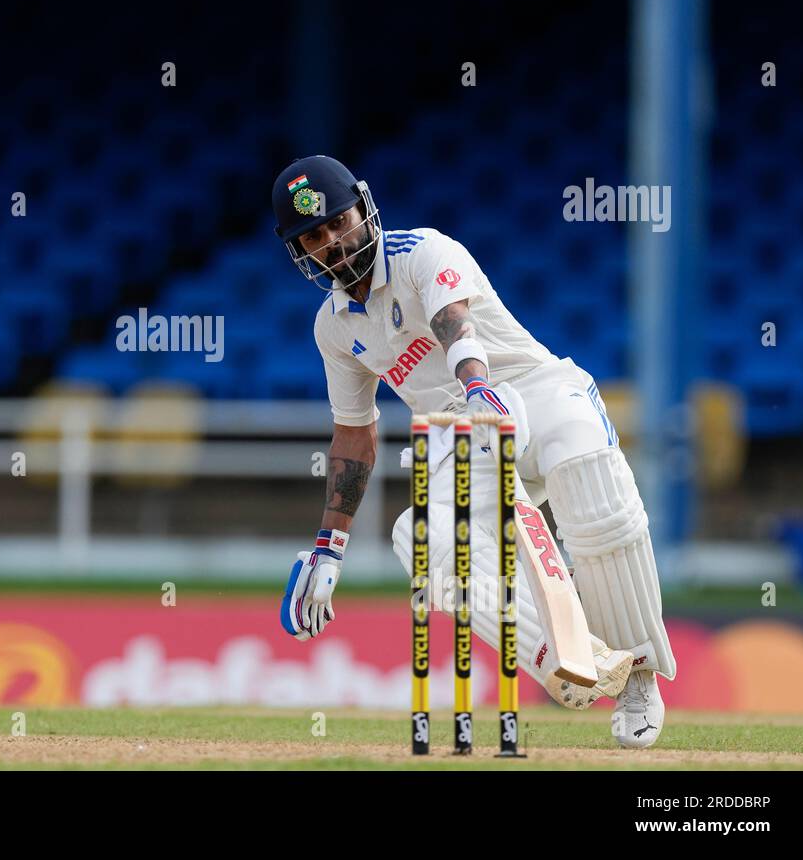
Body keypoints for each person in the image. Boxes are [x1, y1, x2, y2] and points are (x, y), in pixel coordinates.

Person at [274, 155, 674, 749]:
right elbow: (353, 433)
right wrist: (329, 548)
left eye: (340, 222)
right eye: (316, 235)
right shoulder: (333, 327)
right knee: (420, 537)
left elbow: (455, 324)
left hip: (530, 392)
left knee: (587, 480)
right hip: (461, 434)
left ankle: (640, 675)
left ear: (364, 209)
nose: (334, 241)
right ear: (301, 250)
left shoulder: (422, 252)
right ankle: (575, 659)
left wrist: (479, 386)